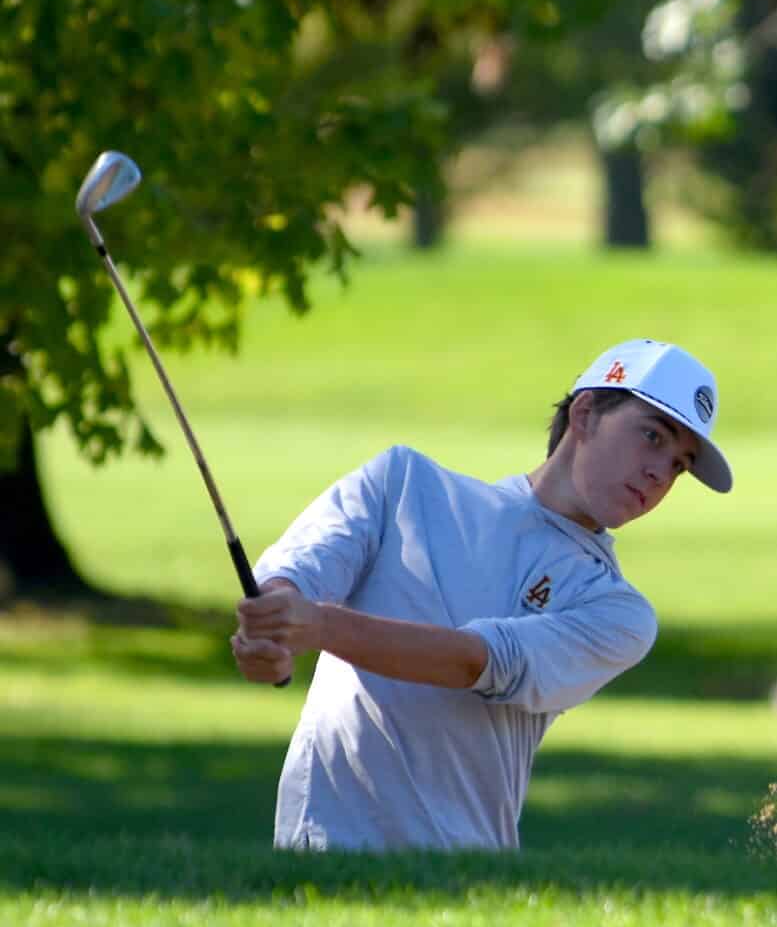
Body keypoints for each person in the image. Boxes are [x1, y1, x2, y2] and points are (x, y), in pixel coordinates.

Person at [229, 339, 733, 852]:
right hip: (319, 847)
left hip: (463, 872)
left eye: (679, 465)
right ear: (585, 415)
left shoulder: (617, 613)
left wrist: (316, 627)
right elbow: (296, 571)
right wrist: (272, 629)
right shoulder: (403, 483)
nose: (659, 473)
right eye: (652, 436)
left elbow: (475, 662)